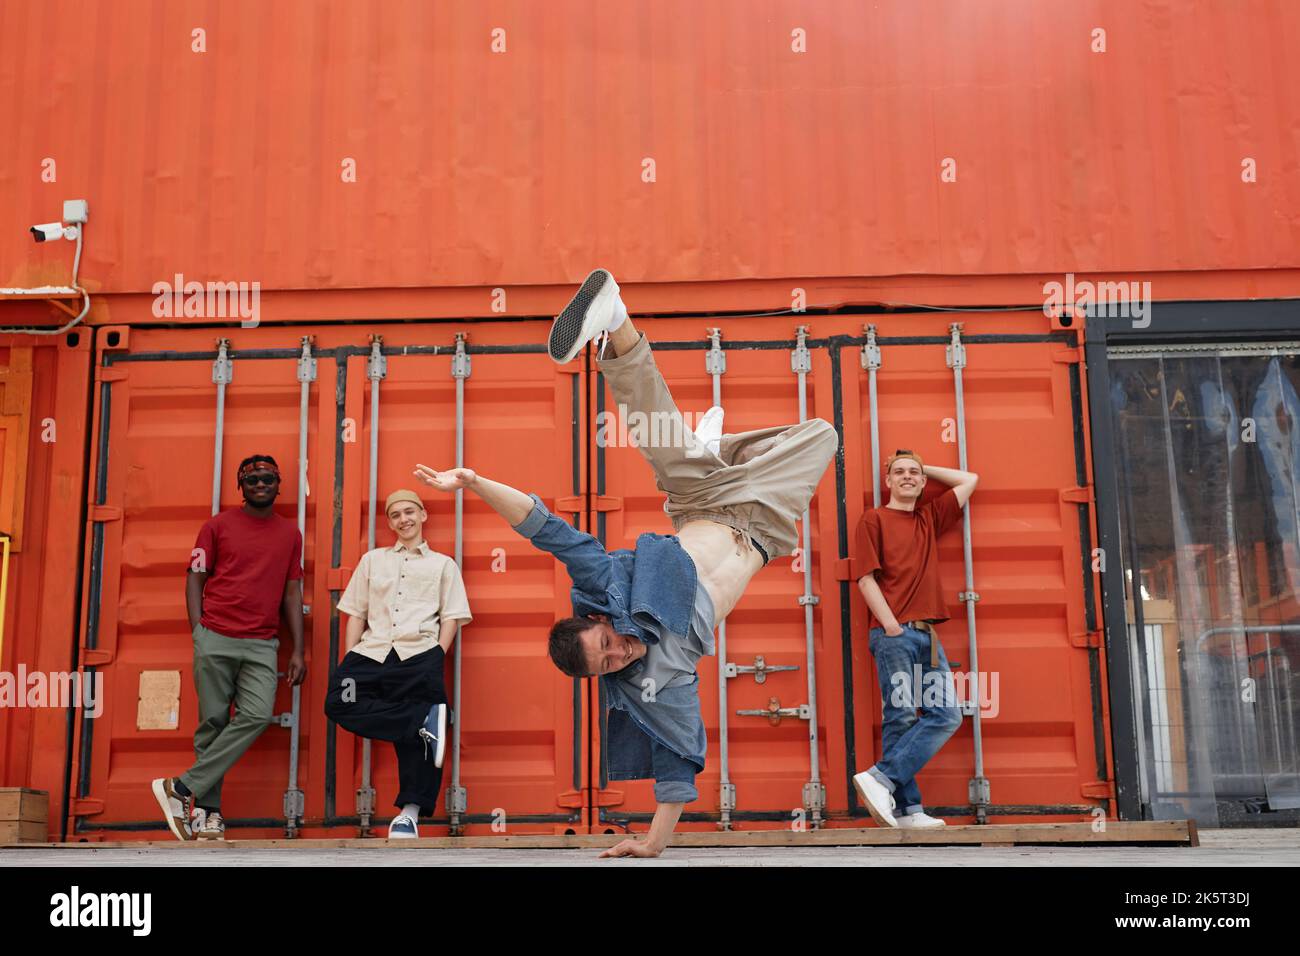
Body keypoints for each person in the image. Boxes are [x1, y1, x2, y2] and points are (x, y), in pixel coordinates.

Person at [414, 267, 838, 857]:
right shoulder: (648, 682)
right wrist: (653, 845)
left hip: (699, 505)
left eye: (608, 643)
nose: (621, 652)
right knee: (822, 434)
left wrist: (475, 480)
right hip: (763, 524)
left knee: (652, 421)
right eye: (608, 664)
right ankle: (723, 449)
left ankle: (615, 319)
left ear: (598, 620)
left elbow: (546, 529)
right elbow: (678, 755)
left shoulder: (607, 585)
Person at [151, 454, 308, 841]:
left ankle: (183, 788)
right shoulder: (217, 526)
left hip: (261, 642)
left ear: (278, 483)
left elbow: (292, 592)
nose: (260, 484)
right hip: (216, 635)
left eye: (268, 478)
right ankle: (210, 813)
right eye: (252, 479)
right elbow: (195, 577)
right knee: (213, 723)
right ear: (241, 485)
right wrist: (198, 632)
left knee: (256, 715)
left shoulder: (290, 534)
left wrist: (299, 650)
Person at [324, 490, 472, 838]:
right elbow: (356, 613)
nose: (403, 519)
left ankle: (408, 815)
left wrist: (438, 654)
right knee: (338, 703)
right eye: (395, 515)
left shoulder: (443, 565)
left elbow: (452, 615)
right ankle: (420, 721)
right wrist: (349, 660)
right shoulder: (372, 560)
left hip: (419, 654)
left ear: (423, 515)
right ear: (389, 523)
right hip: (370, 652)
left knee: (419, 745)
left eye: (409, 512)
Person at [851, 449, 978, 828]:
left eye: (915, 473)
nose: (907, 477)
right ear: (887, 482)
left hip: (929, 636)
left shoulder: (928, 517)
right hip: (894, 635)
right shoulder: (872, 519)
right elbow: (864, 578)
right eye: (899, 472)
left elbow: (969, 479)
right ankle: (909, 810)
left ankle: (883, 781)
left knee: (945, 715)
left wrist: (925, 467)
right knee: (902, 716)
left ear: (923, 483)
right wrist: (890, 625)